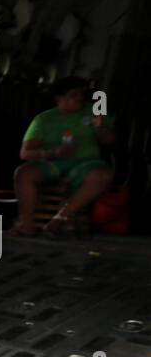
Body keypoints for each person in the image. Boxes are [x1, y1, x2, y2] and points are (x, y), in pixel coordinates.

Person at [7, 76, 117, 237]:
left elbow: (111, 141)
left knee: (103, 175)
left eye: (81, 94)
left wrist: (101, 128)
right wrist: (53, 153)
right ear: (59, 98)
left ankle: (57, 221)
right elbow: (25, 153)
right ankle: (26, 225)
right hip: (53, 163)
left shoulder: (94, 111)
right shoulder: (44, 119)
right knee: (23, 173)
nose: (80, 98)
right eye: (74, 94)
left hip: (85, 164)